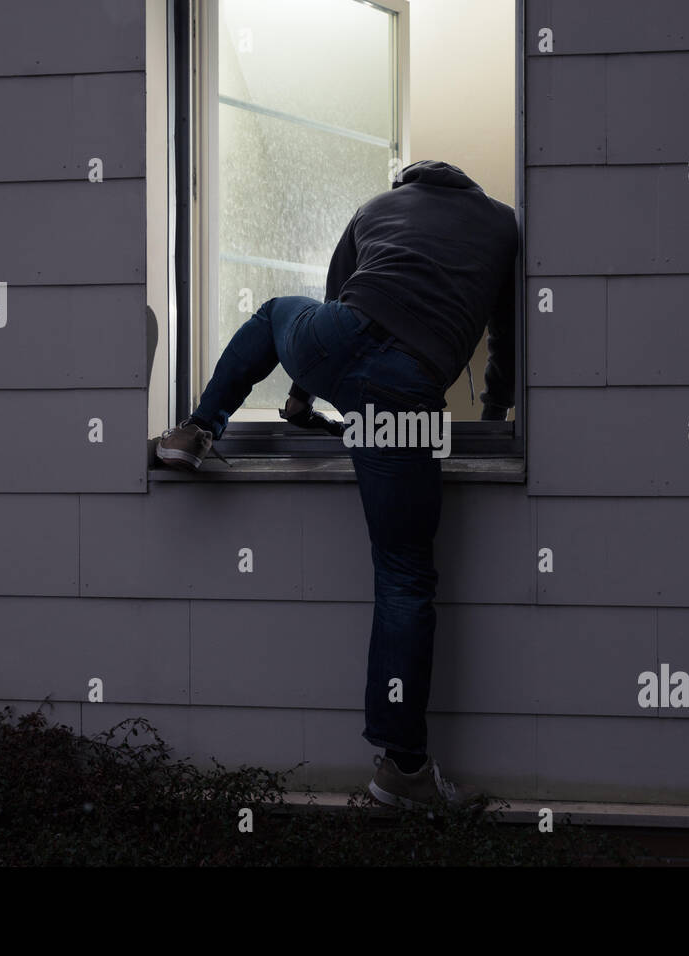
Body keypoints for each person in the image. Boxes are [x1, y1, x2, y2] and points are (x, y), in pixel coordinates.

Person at [158, 159, 518, 809]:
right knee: (405, 572)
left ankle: (195, 429)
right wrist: (495, 419)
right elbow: (508, 341)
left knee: (272, 313)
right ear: (468, 189)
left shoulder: (377, 207)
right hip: (405, 393)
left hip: (336, 340)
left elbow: (336, 297)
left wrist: (300, 396)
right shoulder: (503, 227)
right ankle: (401, 768)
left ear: (410, 183)